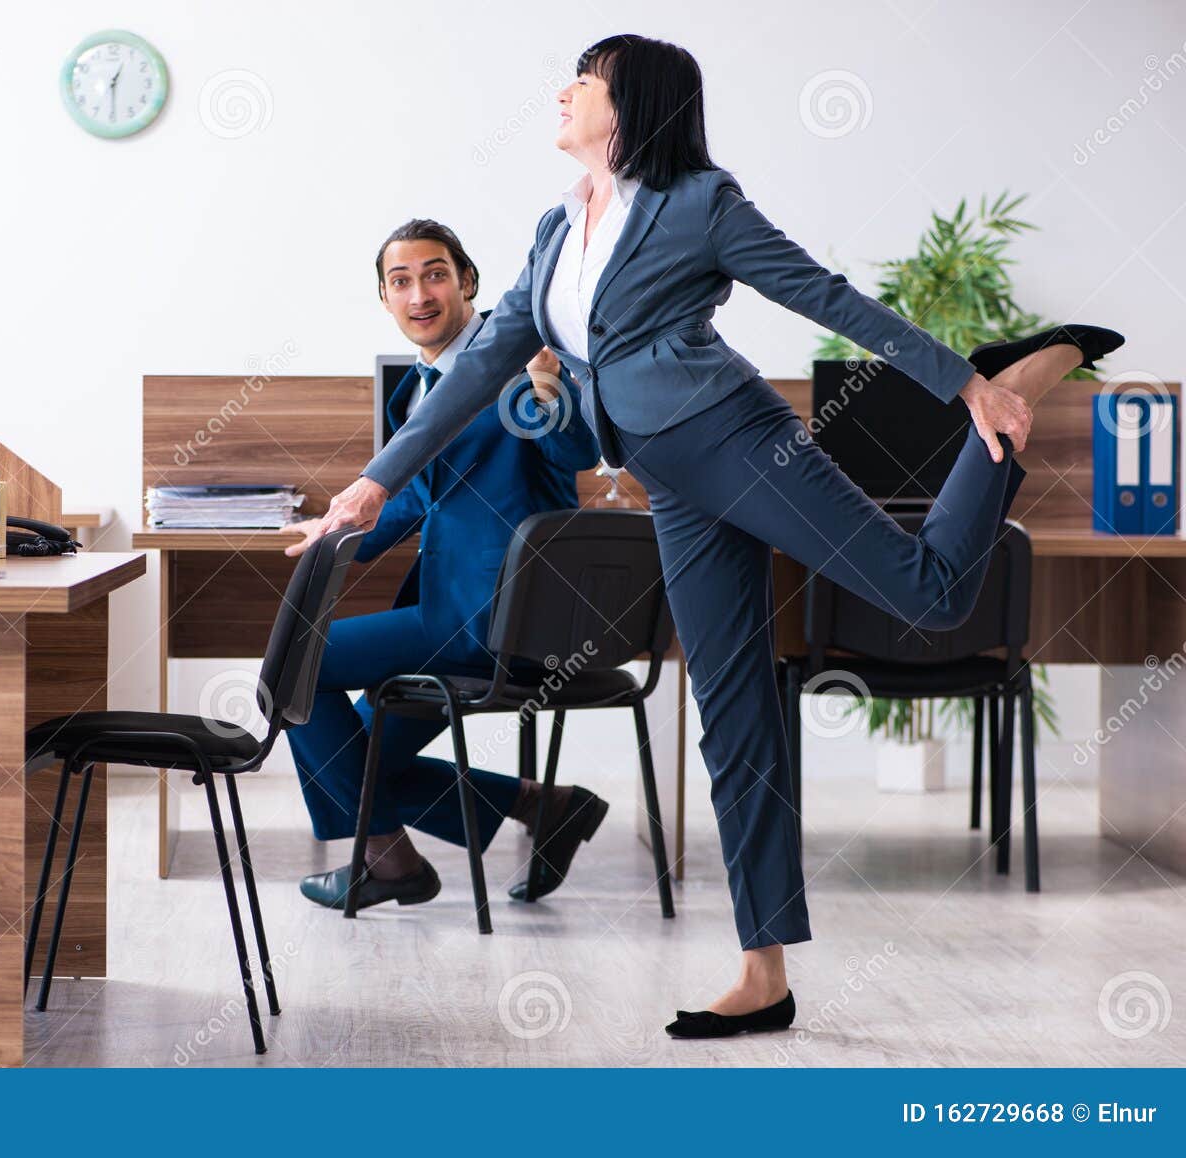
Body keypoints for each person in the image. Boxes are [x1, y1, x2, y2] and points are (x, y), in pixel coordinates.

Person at [285, 34, 1123, 1035]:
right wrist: (373, 483)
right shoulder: (558, 231)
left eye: (582, 82)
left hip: (733, 442)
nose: (561, 93)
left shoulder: (699, 204)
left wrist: (966, 383)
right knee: (732, 714)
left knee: (932, 595)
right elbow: (475, 368)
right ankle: (762, 972)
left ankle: (1018, 385)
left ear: (627, 107)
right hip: (669, 479)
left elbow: (825, 295)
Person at [291, 218, 606, 913]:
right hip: (451, 613)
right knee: (360, 758)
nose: (419, 294)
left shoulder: (522, 356)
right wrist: (337, 535)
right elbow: (414, 501)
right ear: (385, 299)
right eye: (400, 282)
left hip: (497, 618)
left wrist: (548, 391)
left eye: (435, 274)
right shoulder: (418, 390)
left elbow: (577, 454)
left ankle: (389, 859)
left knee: (296, 665)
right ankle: (542, 805)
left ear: (467, 282)